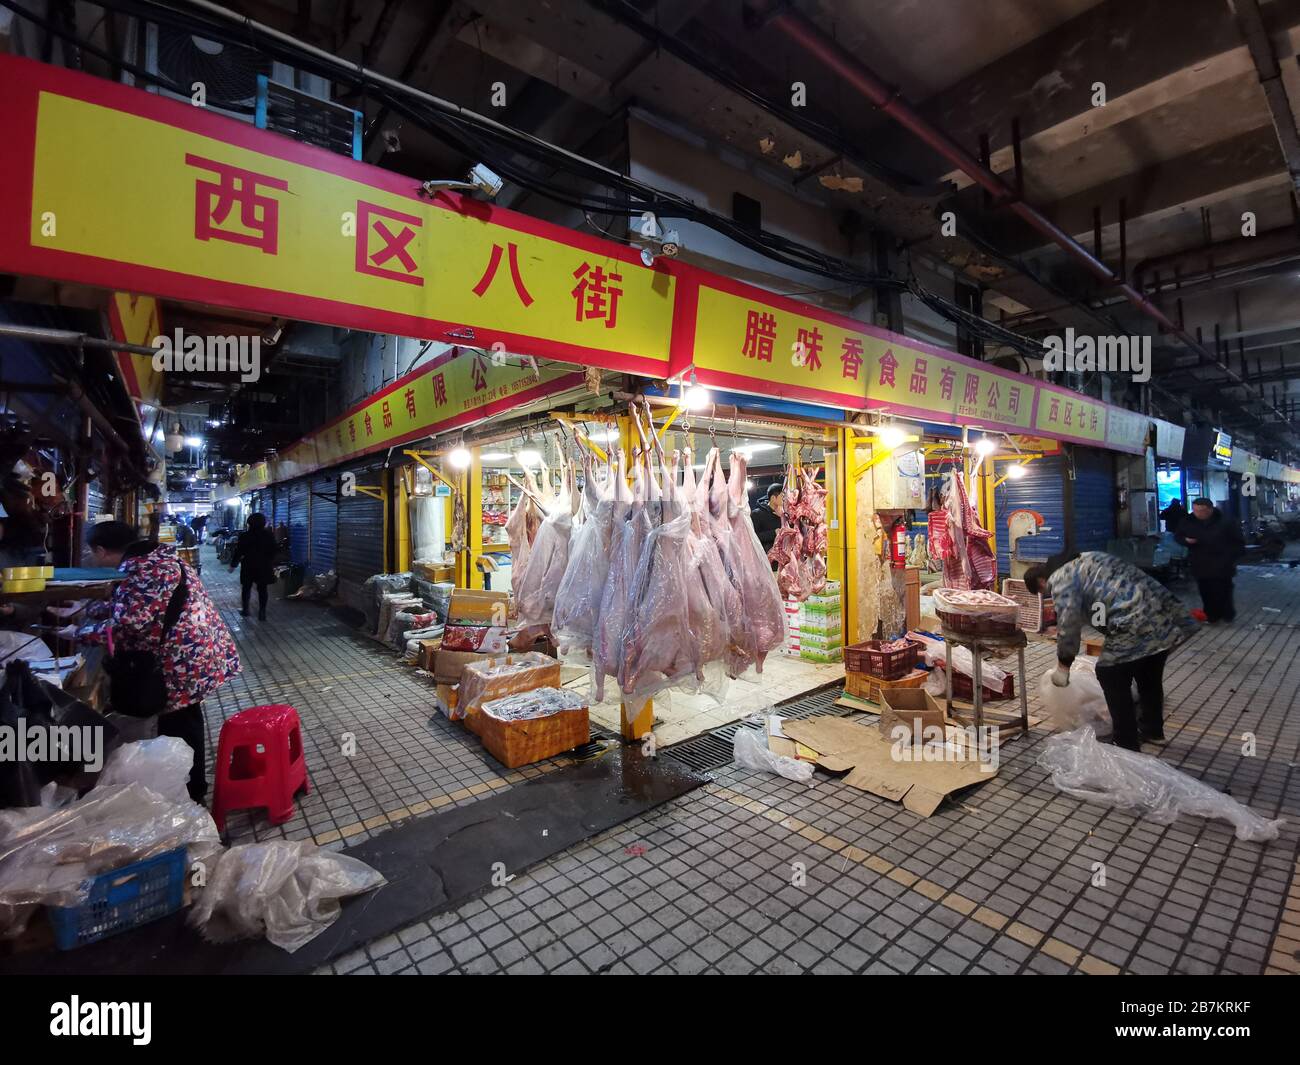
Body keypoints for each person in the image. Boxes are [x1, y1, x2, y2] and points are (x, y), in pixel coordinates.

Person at [66, 521, 239, 802]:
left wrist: (80, 632)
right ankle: (185, 786)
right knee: (183, 719)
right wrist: (87, 609)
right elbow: (135, 604)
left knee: (180, 725)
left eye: (92, 553)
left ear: (101, 550)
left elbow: (132, 623)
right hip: (191, 655)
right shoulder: (156, 561)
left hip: (181, 660)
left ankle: (190, 793)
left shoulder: (145, 569)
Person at [1025, 551, 1195, 751]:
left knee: (1110, 674)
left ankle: (1125, 743)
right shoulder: (1094, 559)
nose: (1048, 593)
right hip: (1165, 616)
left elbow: (1068, 624)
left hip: (1133, 624)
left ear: (1042, 580)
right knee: (1148, 673)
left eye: (1043, 590)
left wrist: (1064, 664)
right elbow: (1103, 602)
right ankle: (1152, 731)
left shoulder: (1061, 578)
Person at [1174, 497, 1245, 623]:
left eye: (1202, 511)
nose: (1198, 514)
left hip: (1222, 563)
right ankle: (1211, 615)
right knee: (1205, 590)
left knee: (1223, 590)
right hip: (1200, 562)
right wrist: (1186, 541)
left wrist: (1230, 558)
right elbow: (1178, 536)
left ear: (1210, 510)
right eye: (1195, 510)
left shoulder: (1226, 522)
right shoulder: (1188, 521)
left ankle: (1227, 613)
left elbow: (1238, 542)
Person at [230, 513, 278, 620]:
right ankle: (262, 612)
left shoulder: (245, 536)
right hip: (263, 566)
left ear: (249, 523)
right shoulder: (268, 535)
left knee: (246, 588)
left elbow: (239, 551)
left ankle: (246, 610)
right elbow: (274, 550)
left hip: (248, 566)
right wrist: (270, 562)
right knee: (262, 589)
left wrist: (233, 565)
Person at [751, 483, 784, 554]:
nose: (785, 499)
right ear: (773, 498)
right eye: (782, 496)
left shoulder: (784, 513)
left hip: (785, 555)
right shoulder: (757, 514)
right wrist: (774, 532)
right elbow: (754, 537)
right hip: (768, 556)